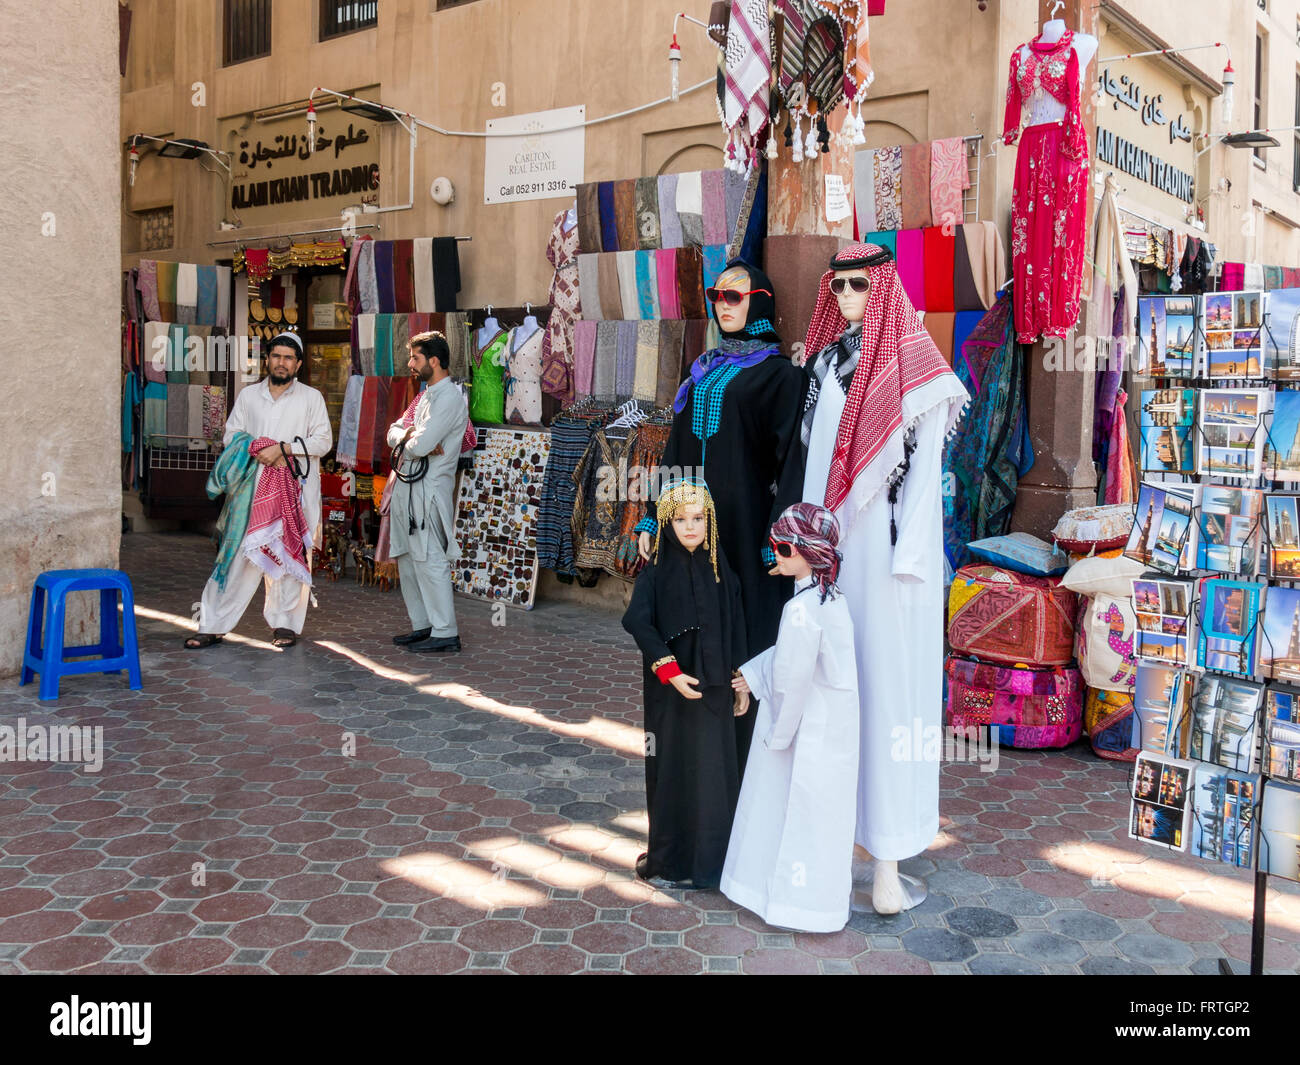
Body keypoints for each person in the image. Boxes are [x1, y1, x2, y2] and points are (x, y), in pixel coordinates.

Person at [801, 244, 969, 914]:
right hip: (834, 556)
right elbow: (814, 466)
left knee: (892, 704)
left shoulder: (919, 369)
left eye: (857, 284)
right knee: (836, 694)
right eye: (835, 284)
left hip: (896, 566)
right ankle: (841, 848)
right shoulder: (822, 362)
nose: (844, 295)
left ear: (881, 286)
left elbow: (925, 480)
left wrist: (908, 566)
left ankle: (890, 864)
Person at [636, 260, 807, 771]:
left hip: (746, 533)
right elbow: (676, 450)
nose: (722, 304)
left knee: (746, 640)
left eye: (735, 295)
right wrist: (652, 517)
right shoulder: (704, 368)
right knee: (691, 636)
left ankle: (745, 786)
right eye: (717, 295)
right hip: (692, 532)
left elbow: (790, 464)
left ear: (760, 301)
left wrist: (779, 535)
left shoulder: (779, 375)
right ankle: (699, 777)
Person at [722, 503, 860, 932]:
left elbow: (791, 679)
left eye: (782, 547)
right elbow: (793, 661)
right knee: (821, 817)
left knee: (786, 811)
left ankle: (784, 901)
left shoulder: (801, 609)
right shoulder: (829, 597)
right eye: (774, 547)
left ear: (808, 552)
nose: (775, 555)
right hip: (831, 726)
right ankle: (816, 903)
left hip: (803, 728)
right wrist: (755, 673)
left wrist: (779, 735)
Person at [622, 480, 748, 889]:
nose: (690, 527)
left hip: (715, 694)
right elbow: (637, 621)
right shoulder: (656, 574)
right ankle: (672, 859)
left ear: (709, 521)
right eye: (680, 519)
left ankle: (713, 863)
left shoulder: (721, 571)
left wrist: (741, 682)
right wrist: (669, 670)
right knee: (675, 769)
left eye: (698, 518)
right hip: (671, 698)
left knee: (715, 774)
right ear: (666, 523)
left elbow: (735, 626)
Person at [186, 332, 332, 650]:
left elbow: (323, 442)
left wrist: (282, 449)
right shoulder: (249, 396)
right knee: (237, 557)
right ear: (268, 360)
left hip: (295, 491)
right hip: (251, 492)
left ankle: (286, 625)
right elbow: (231, 435)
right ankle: (211, 625)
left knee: (290, 560)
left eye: (289, 358)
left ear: (299, 364)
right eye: (277, 356)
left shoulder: (311, 398)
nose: (282, 362)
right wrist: (258, 447)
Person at [387, 330, 468, 653]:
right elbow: (395, 432)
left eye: (415, 358)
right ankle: (424, 625)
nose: (410, 363)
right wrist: (410, 435)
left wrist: (411, 439)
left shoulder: (448, 398)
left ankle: (446, 631)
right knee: (408, 559)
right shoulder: (425, 396)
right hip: (409, 489)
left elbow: (419, 446)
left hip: (430, 492)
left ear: (434, 361)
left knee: (431, 559)